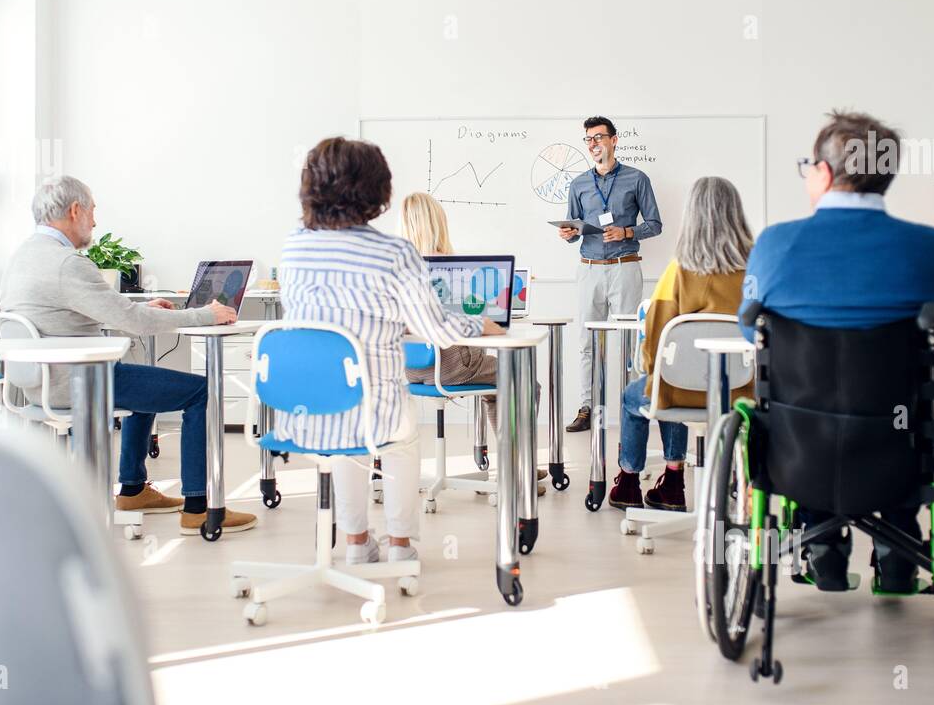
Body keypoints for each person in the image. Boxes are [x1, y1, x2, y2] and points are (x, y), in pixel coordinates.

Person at [738, 110, 934, 592]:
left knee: (809, 409)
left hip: (797, 452)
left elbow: (754, 334)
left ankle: (824, 545)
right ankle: (898, 546)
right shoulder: (930, 247)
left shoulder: (775, 244)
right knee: (905, 414)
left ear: (826, 172)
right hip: (898, 448)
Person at [277, 139, 505, 565]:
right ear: (376, 190)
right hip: (374, 401)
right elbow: (436, 328)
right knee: (398, 440)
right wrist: (482, 324)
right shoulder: (392, 252)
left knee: (347, 444)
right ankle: (400, 547)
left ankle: (357, 544)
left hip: (305, 404)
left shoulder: (294, 244)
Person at [0, 175, 257, 536]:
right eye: (92, 212)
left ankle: (133, 490)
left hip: (44, 380)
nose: (94, 221)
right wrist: (205, 315)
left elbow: (75, 313)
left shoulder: (23, 257)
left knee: (145, 382)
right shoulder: (65, 263)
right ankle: (200, 507)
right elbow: (134, 321)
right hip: (80, 382)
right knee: (201, 390)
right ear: (75, 210)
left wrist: (140, 308)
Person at [608, 177, 753, 511]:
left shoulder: (679, 270)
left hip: (679, 390)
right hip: (739, 393)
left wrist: (650, 370)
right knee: (669, 378)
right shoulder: (754, 270)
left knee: (645, 389)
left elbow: (656, 337)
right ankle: (672, 481)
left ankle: (631, 479)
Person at [399, 192, 546, 493]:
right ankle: (517, 468)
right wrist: (490, 325)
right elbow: (463, 322)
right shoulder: (448, 268)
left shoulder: (397, 268)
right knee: (523, 381)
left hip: (411, 370)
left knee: (496, 388)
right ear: (437, 224)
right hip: (452, 366)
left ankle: (513, 463)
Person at [558, 116, 662, 432]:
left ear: (614, 140)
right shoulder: (578, 184)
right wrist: (568, 233)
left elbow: (655, 224)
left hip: (625, 267)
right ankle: (586, 407)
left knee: (631, 342)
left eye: (598, 137)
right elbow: (573, 227)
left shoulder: (637, 178)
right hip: (589, 270)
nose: (593, 144)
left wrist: (627, 231)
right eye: (588, 139)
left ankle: (632, 408)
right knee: (586, 342)